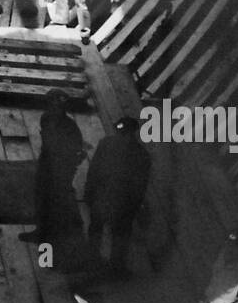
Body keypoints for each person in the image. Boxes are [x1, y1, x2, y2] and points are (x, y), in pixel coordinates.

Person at [85, 115, 151, 275]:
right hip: (124, 201)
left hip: (103, 195)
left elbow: (94, 169)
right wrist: (135, 206)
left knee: (96, 227)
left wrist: (89, 191)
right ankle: (116, 266)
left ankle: (91, 260)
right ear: (133, 132)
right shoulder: (142, 154)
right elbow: (140, 184)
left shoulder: (106, 144)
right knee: (120, 233)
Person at [20, 89, 84, 246]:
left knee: (56, 200)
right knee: (42, 197)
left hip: (60, 166)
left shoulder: (68, 126)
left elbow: (75, 150)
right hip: (48, 162)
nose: (53, 107)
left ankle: (55, 234)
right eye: (52, 103)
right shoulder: (47, 118)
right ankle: (42, 231)